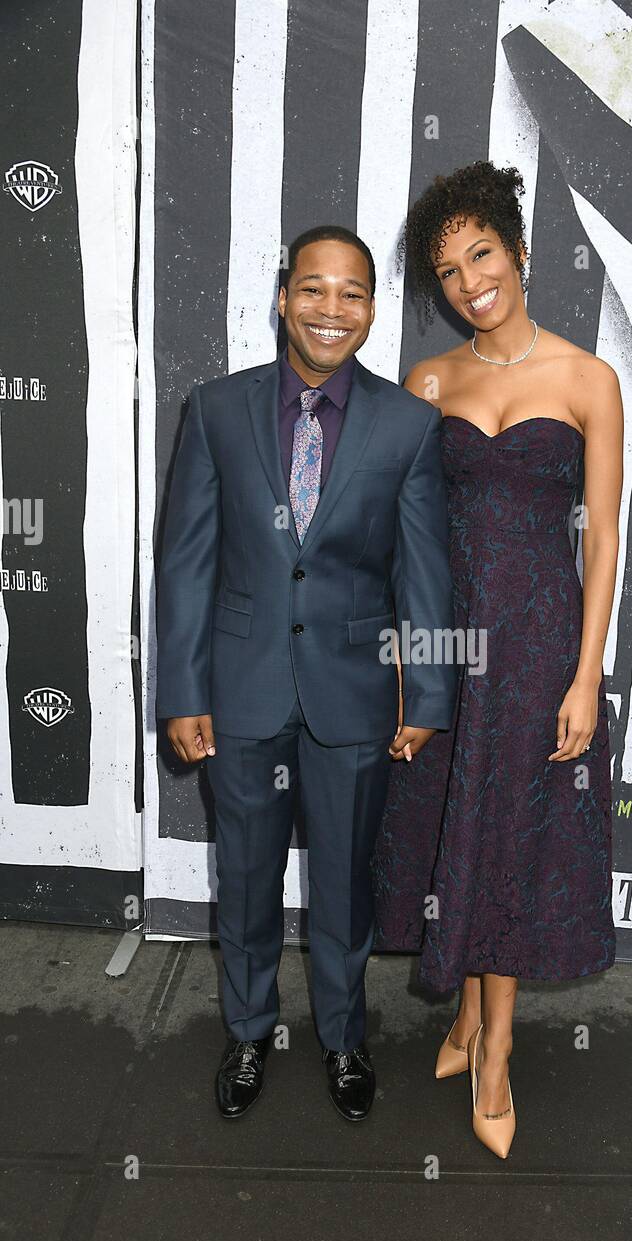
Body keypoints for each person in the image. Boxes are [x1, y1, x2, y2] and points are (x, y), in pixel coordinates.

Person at [156, 226, 456, 1124]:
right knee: (243, 879)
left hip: (354, 700)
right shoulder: (215, 410)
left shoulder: (409, 426)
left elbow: (424, 577)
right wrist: (183, 690)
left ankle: (343, 1036)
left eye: (354, 293)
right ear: (284, 297)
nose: (334, 310)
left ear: (372, 308)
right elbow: (187, 565)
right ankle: (248, 1033)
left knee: (345, 884)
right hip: (242, 693)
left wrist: (430, 691)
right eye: (316, 290)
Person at [372, 162, 623, 1158]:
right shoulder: (426, 384)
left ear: (517, 252)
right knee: (455, 826)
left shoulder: (585, 378)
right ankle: (469, 1014)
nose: (467, 279)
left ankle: (494, 1053)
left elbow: (600, 536)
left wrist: (586, 673)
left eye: (480, 253)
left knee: (512, 837)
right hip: (450, 641)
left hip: (538, 645)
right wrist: (406, 668)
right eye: (445, 268)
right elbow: (401, 539)